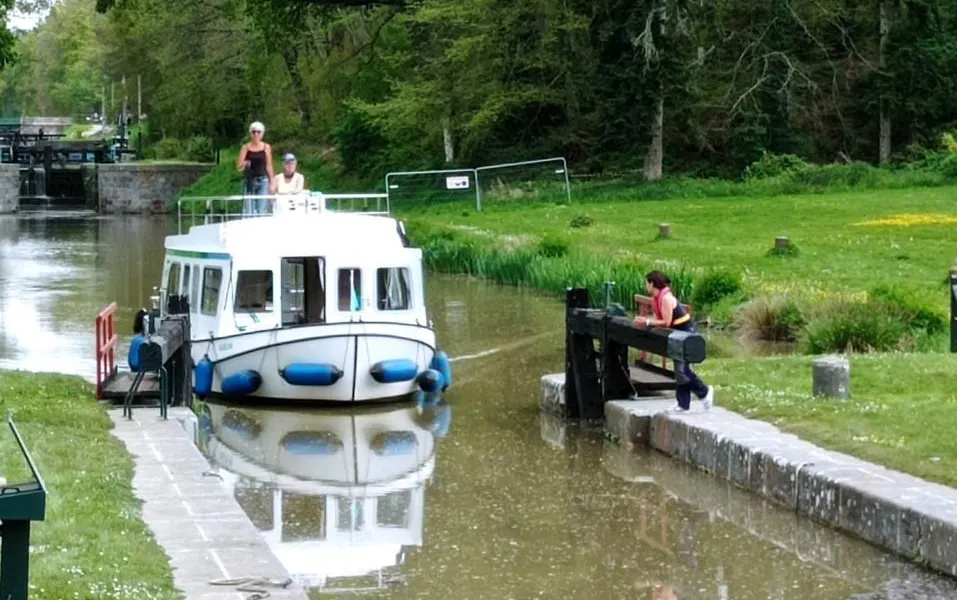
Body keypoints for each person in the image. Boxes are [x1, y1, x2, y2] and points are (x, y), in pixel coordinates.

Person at [633, 270, 714, 412]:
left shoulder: (665, 298)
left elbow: (666, 321)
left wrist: (647, 322)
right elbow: (658, 319)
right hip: (677, 334)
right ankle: (683, 404)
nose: (645, 286)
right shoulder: (656, 299)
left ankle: (705, 391)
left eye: (646, 283)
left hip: (685, 333)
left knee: (682, 370)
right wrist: (646, 322)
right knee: (679, 371)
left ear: (652, 284)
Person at [236, 121, 274, 215]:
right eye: (254, 132)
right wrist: (245, 163)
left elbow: (269, 165)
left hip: (263, 181)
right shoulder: (245, 147)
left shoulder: (266, 147)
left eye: (258, 132)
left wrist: (272, 182)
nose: (256, 134)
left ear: (262, 133)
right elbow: (239, 166)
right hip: (249, 181)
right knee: (249, 210)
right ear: (250, 133)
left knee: (261, 210)